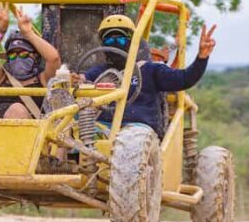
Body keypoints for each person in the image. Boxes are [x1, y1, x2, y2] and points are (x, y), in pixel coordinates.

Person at [83, 14, 217, 137]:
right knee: (76, 132)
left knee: (129, 140)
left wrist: (202, 57)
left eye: (121, 40)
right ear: (103, 45)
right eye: (109, 41)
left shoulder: (151, 70)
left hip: (139, 130)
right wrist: (75, 79)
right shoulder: (98, 72)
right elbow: (81, 82)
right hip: (104, 128)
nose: (115, 45)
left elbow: (185, 79)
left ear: (132, 42)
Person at [0, 3, 61, 119]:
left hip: (28, 127)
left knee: (17, 109)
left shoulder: (43, 79)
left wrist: (28, 34)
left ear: (35, 56)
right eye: (12, 55)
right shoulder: (0, 78)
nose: (17, 58)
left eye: (23, 54)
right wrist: (1, 31)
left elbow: (54, 59)